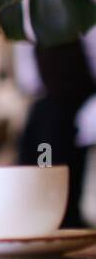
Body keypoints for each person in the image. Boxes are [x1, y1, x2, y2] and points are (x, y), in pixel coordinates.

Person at [17, 37, 96, 228]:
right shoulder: (30, 23)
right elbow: (28, 79)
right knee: (42, 163)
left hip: (78, 107)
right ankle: (42, 217)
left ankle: (63, 221)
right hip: (47, 111)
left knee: (55, 166)